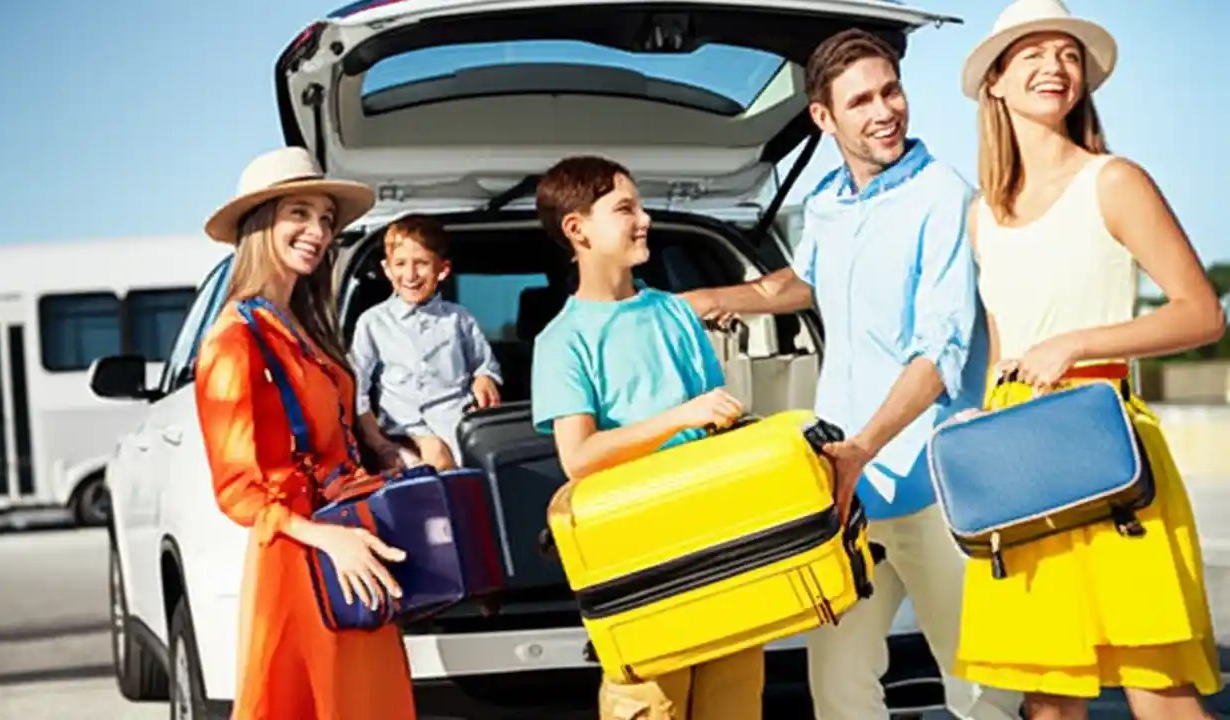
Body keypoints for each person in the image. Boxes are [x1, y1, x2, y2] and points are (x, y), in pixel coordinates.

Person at [680, 28, 1023, 720]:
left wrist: (862, 446)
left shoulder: (943, 196)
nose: (884, 111)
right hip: (845, 486)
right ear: (823, 118)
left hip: (935, 483)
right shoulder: (830, 202)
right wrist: (708, 299)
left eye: (890, 91)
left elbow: (941, 349)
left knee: (981, 689)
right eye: (861, 100)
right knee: (838, 690)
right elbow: (801, 282)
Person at [955, 1, 1226, 718]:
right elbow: (1005, 347)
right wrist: (984, 428)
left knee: (1158, 689)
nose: (1055, 67)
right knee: (1047, 700)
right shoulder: (983, 214)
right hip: (1018, 457)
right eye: (1034, 53)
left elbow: (1202, 312)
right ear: (997, 83)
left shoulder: (1114, 181)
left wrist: (1078, 342)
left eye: (1068, 55)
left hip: (1105, 439)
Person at [530, 155, 762, 719]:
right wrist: (680, 416)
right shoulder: (562, 341)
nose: (644, 220)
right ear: (577, 229)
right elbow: (579, 458)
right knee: (650, 705)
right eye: (624, 208)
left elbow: (717, 424)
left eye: (641, 206)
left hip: (718, 548)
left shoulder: (674, 315)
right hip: (640, 562)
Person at [194, 146, 416, 720]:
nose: (316, 230)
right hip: (305, 560)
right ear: (259, 222)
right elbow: (238, 489)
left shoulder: (302, 325)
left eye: (324, 218)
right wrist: (328, 539)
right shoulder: (233, 339)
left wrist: (387, 459)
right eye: (299, 213)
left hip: (349, 549)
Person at [349, 213, 503, 472]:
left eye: (420, 263)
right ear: (387, 269)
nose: (410, 275)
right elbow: (356, 390)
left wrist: (484, 377)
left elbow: (485, 365)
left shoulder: (459, 319)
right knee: (434, 468)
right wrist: (378, 443)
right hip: (402, 436)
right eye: (400, 264)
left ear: (442, 270)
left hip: (460, 431)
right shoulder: (373, 323)